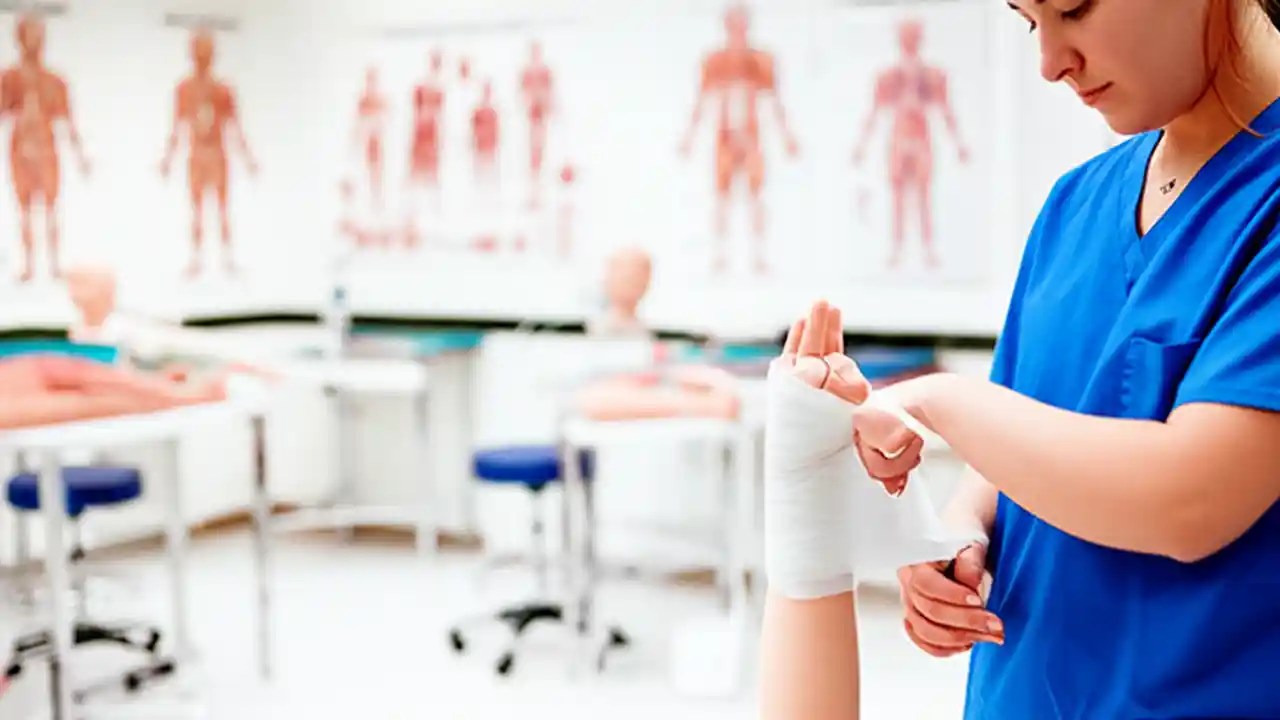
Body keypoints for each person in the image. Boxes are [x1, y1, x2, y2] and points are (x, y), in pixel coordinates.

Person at [761, 1, 1280, 718]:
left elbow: (1191, 499)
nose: (1050, 62)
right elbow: (1015, 448)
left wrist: (934, 401)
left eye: (1072, 8)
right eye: (1030, 22)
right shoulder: (1076, 206)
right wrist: (960, 534)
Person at [680, 4, 799, 275]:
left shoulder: (761, 61)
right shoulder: (714, 61)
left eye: (741, 23)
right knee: (722, 199)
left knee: (756, 197)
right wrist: (689, 137)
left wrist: (786, 137)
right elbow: (702, 101)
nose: (737, 29)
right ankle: (719, 254)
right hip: (724, 139)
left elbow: (774, 102)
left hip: (751, 139)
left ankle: (759, 254)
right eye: (733, 23)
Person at [852, 17, 968, 270]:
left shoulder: (933, 75)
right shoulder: (888, 76)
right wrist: (862, 144)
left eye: (913, 35)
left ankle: (927, 249)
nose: (910, 41)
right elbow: (874, 111)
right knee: (898, 197)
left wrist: (958, 144)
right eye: (906, 35)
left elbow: (945, 110)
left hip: (920, 134)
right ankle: (897, 248)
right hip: (899, 135)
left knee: (924, 196)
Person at [576, 246, 739, 421]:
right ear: (607, 276)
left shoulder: (654, 338)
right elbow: (594, 402)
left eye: (641, 273)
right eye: (625, 271)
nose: (633, 279)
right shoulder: (585, 335)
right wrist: (697, 404)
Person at [160, 28, 258, 278]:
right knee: (197, 210)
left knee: (222, 208)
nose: (202, 56)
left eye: (206, 51)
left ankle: (227, 258)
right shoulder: (184, 89)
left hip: (217, 154)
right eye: (199, 51)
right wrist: (168, 159)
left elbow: (235, 128)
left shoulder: (223, 89)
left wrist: (248, 158)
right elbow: (177, 127)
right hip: (197, 155)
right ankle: (196, 259)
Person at [1, 13, 90, 284]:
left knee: (50, 208)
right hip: (20, 149)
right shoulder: (9, 78)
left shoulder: (55, 81)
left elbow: (68, 122)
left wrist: (80, 156)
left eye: (38, 37)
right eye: (29, 37)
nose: (34, 43)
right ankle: (29, 265)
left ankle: (53, 263)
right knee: (25, 210)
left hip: (47, 148)